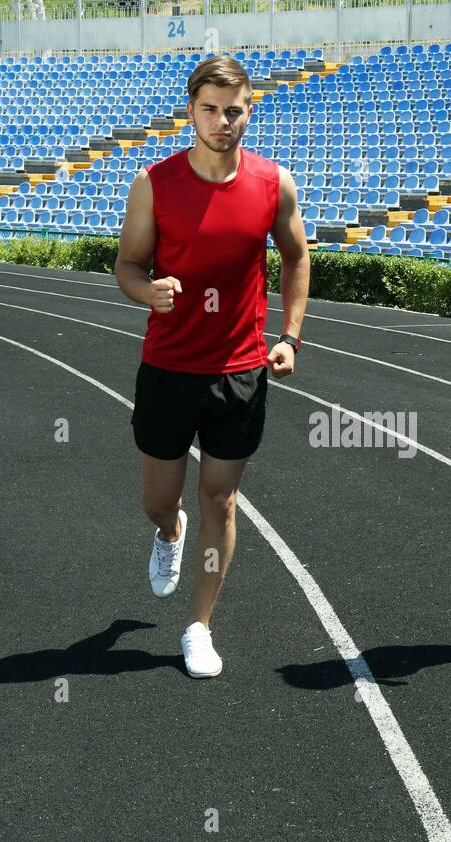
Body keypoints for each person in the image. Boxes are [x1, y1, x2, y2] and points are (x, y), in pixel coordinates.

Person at [115, 55, 310, 678]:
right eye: (211, 109)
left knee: (220, 502)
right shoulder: (154, 182)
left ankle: (199, 627)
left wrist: (291, 336)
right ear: (191, 111)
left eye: (235, 110)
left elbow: (297, 258)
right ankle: (168, 533)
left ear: (248, 110)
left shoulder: (274, 183)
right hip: (169, 368)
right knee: (158, 500)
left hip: (241, 370)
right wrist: (148, 293)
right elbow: (126, 266)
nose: (224, 121)